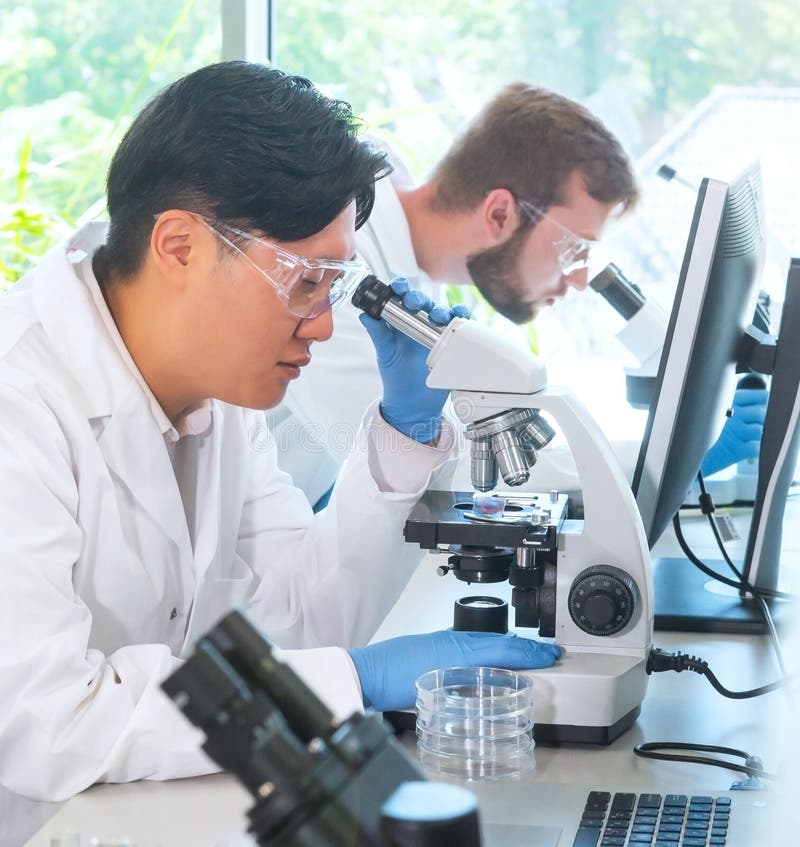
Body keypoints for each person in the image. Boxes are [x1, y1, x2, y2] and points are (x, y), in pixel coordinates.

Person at [0, 62, 559, 843]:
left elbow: (301, 618)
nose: (325, 324)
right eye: (306, 281)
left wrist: (402, 430)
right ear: (179, 245)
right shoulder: (18, 401)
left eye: (334, 283)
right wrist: (353, 680)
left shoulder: (217, 397)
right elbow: (48, 720)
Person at [275, 83, 767, 507]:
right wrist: (666, 457)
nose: (577, 279)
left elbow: (483, 429)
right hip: (243, 589)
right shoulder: (342, 274)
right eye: (573, 249)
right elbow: (447, 468)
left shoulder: (415, 263)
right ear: (499, 214)